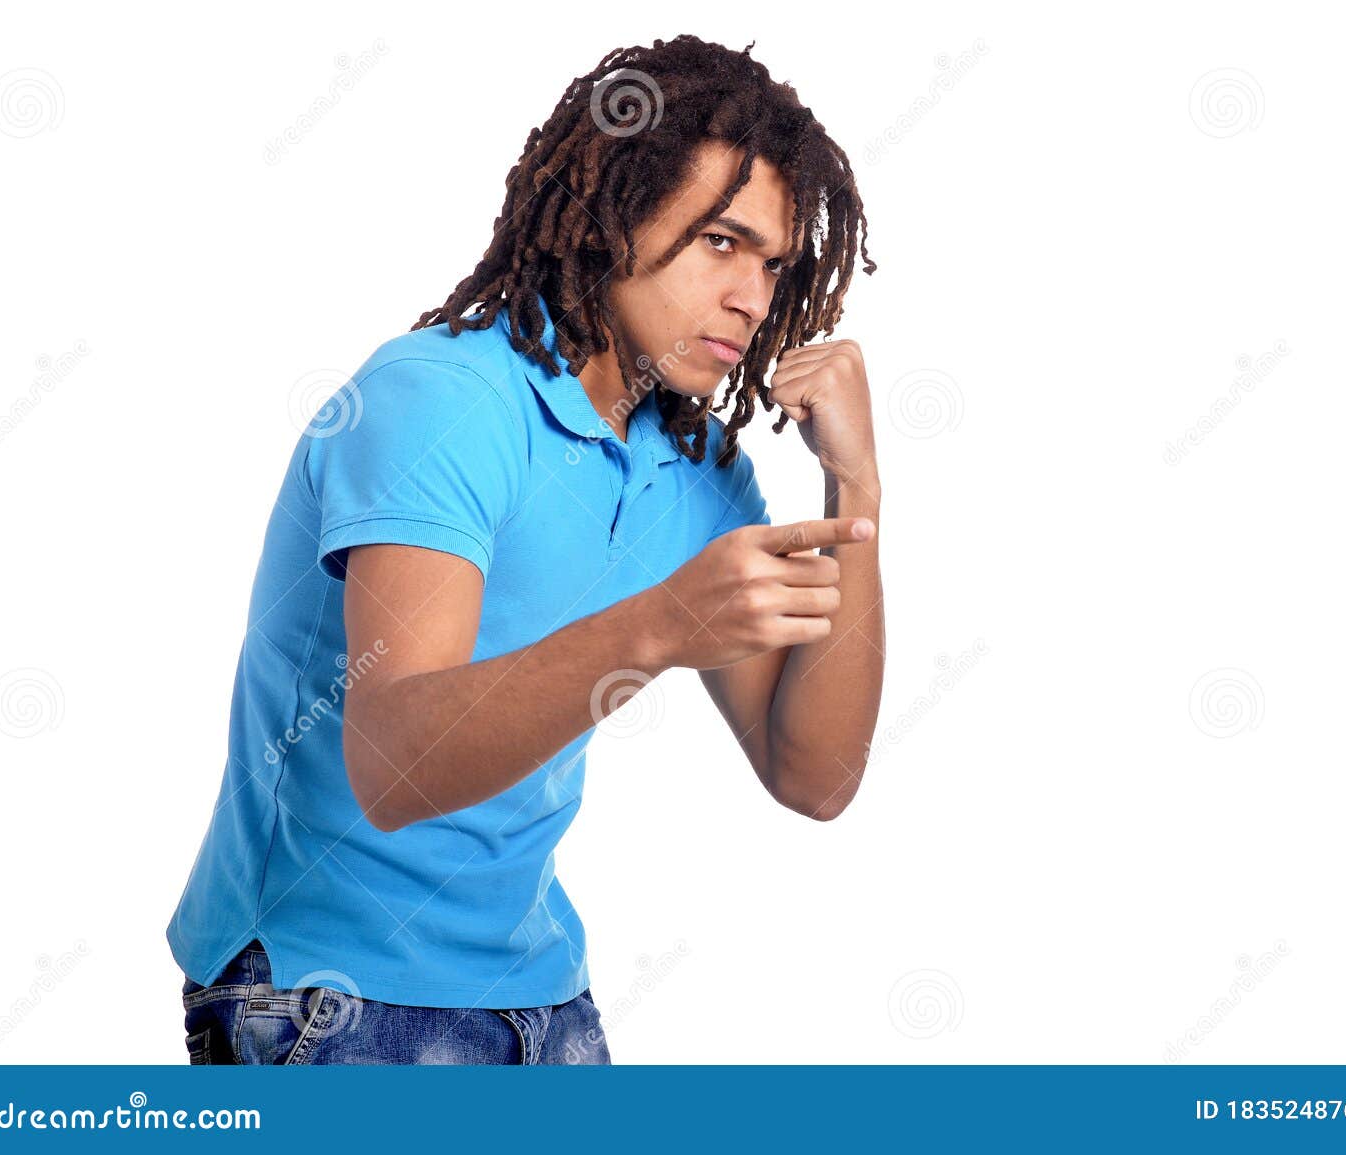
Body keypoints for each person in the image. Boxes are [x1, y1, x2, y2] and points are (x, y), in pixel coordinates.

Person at [168, 33, 885, 1065]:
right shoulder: (442, 401)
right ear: (613, 215)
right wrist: (659, 625)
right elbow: (393, 769)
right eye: (721, 243)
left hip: (540, 990)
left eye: (772, 264)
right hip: (327, 990)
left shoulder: (693, 465)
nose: (754, 297)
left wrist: (857, 488)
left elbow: (812, 776)